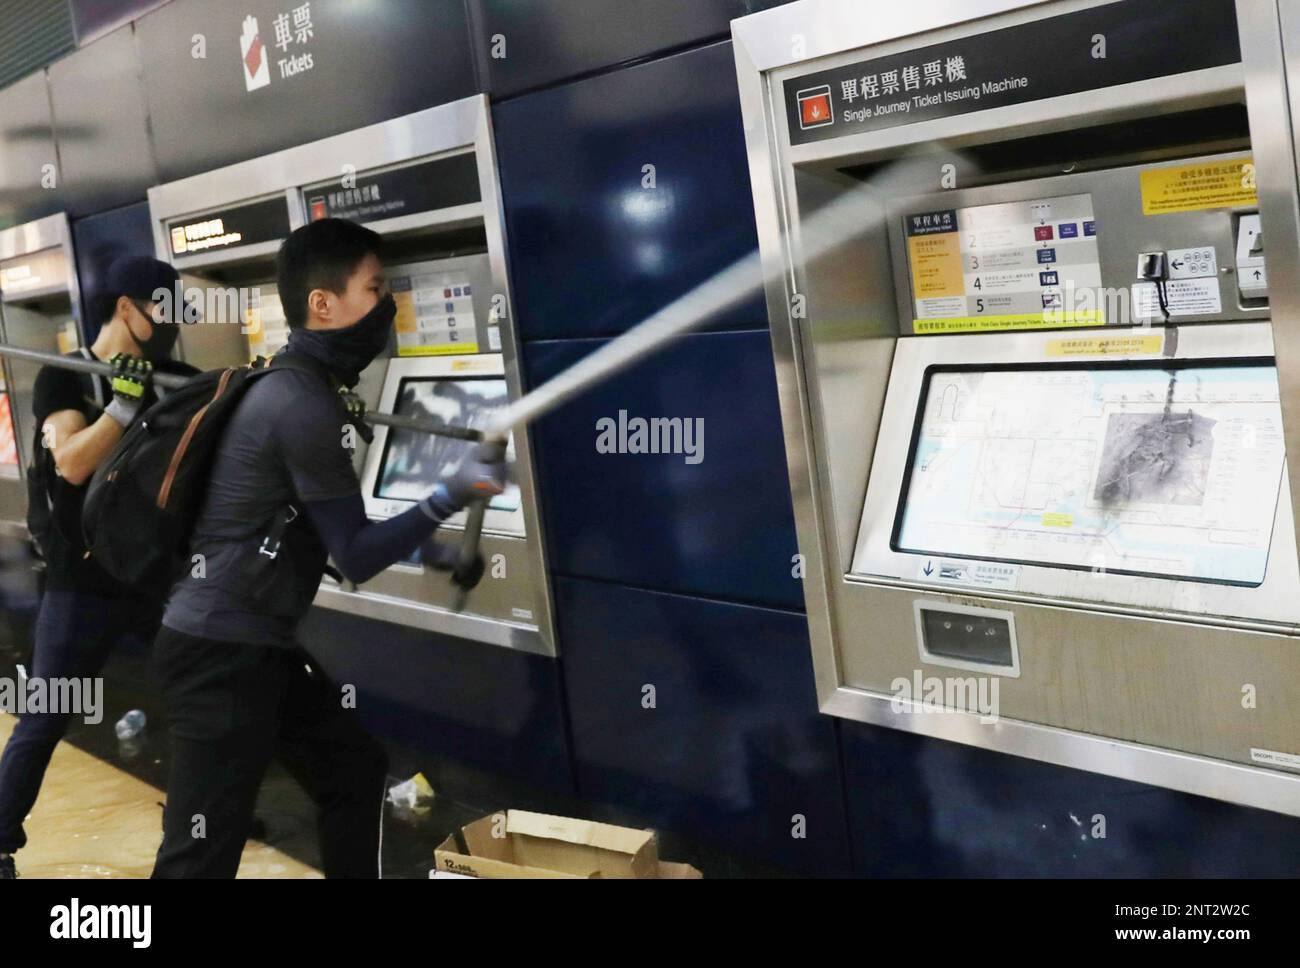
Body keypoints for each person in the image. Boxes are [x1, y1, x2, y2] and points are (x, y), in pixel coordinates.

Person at [151, 218, 506, 879]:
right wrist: (452, 493)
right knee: (199, 856)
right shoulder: (299, 403)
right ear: (323, 303)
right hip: (220, 654)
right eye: (375, 289)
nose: (387, 305)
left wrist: (438, 555)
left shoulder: (298, 389)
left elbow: (330, 527)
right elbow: (357, 556)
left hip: (252, 646)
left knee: (353, 769)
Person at [0, 256, 196, 880]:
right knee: (48, 712)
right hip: (82, 582)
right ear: (125, 308)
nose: (170, 326)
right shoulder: (66, 378)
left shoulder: (173, 376)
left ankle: (200, 820)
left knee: (205, 691)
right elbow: (71, 464)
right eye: (161, 312)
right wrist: (121, 405)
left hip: (149, 575)